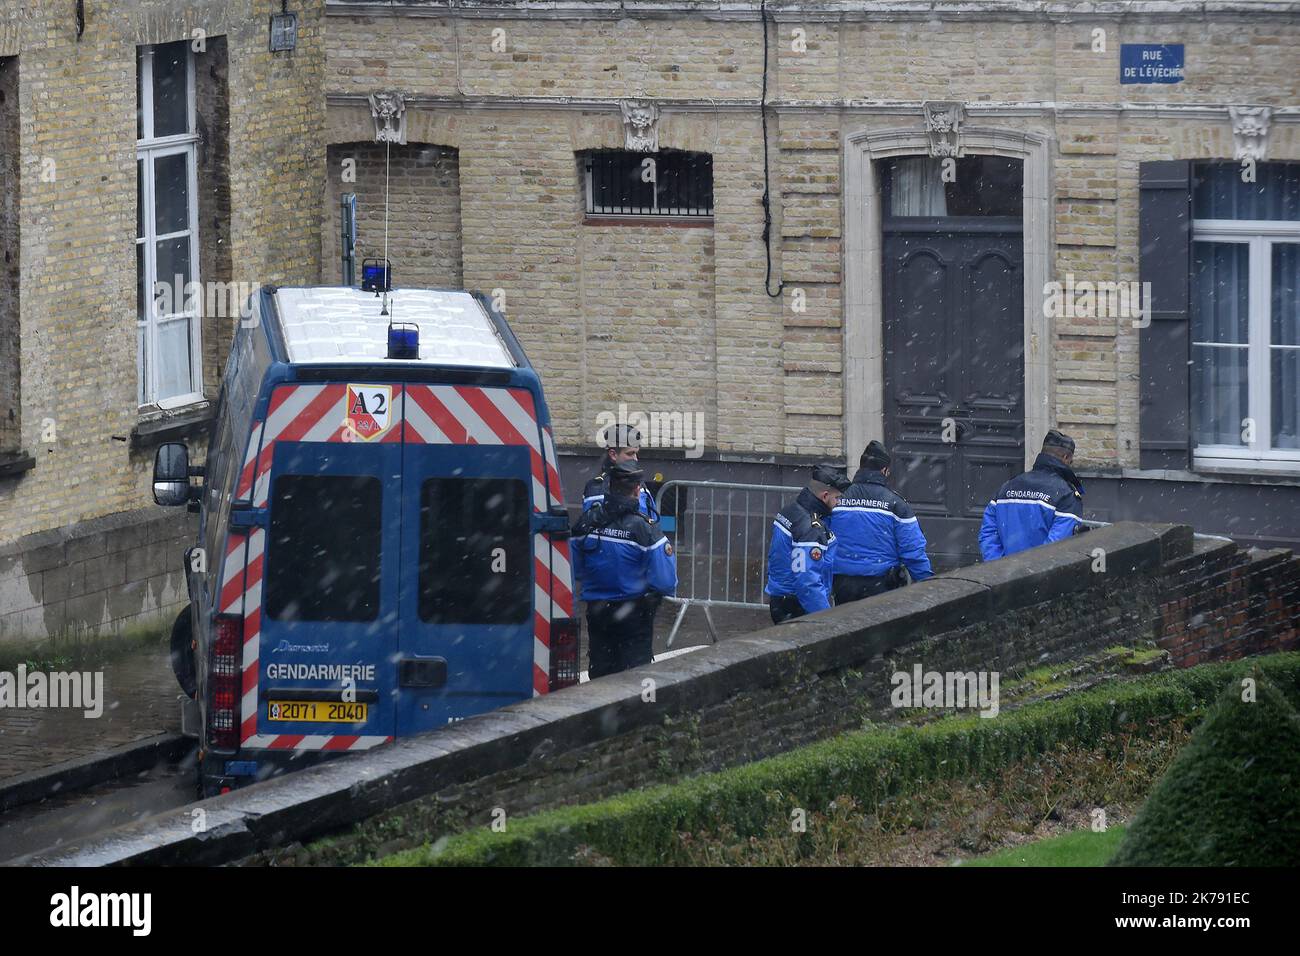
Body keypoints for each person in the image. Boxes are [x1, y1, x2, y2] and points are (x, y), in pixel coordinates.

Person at [571, 461, 678, 678]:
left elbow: (575, 567)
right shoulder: (644, 529)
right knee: (634, 674)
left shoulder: (587, 523)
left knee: (601, 670)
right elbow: (666, 581)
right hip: (634, 612)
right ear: (637, 489)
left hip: (597, 610)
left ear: (609, 488)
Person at [830, 440, 934, 604]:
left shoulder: (836, 500)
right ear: (885, 470)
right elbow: (912, 551)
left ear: (861, 467)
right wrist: (928, 585)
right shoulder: (895, 504)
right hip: (880, 584)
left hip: (842, 583)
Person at [979, 429, 1085, 561]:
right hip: (1039, 578)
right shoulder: (1066, 494)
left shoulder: (1007, 487)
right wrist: (1029, 574)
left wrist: (1000, 569)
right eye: (1071, 462)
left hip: (1002, 577)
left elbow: (988, 535)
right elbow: (1057, 547)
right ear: (1066, 458)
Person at [764, 463, 851, 624]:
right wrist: (825, 620)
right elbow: (808, 583)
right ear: (824, 496)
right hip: (799, 606)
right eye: (837, 497)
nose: (839, 502)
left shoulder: (791, 510)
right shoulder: (811, 528)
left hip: (781, 600)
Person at [582, 424, 660, 522]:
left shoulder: (640, 485)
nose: (635, 459)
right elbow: (590, 527)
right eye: (630, 453)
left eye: (636, 453)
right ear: (613, 454)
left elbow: (652, 522)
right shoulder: (596, 488)